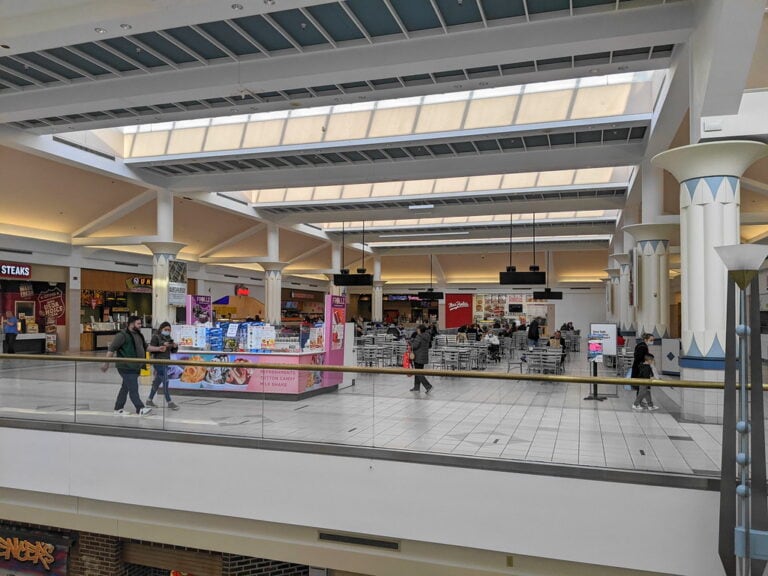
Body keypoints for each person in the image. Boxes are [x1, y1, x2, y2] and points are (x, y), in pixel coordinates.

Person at [101, 316, 161, 416]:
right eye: (138, 324)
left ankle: (118, 408)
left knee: (125, 388)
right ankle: (140, 408)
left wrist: (158, 349)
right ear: (131, 324)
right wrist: (106, 363)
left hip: (135, 367)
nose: (140, 325)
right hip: (126, 367)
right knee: (133, 388)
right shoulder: (122, 335)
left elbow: (146, 347)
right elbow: (111, 349)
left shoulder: (138, 335)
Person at [146, 322, 179, 410]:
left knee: (157, 381)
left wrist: (174, 346)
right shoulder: (156, 337)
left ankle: (149, 400)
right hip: (158, 362)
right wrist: (162, 345)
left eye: (169, 330)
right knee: (165, 380)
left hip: (166, 362)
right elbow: (151, 349)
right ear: (161, 329)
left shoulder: (169, 338)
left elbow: (173, 351)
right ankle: (169, 402)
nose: (167, 331)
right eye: (166, 329)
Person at [409, 325, 433, 393]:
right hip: (423, 356)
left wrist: (410, 342)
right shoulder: (427, 336)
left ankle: (428, 386)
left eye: (417, 329)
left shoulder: (419, 336)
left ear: (420, 330)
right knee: (418, 372)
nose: (417, 330)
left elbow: (415, 346)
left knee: (418, 373)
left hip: (418, 356)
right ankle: (416, 387)